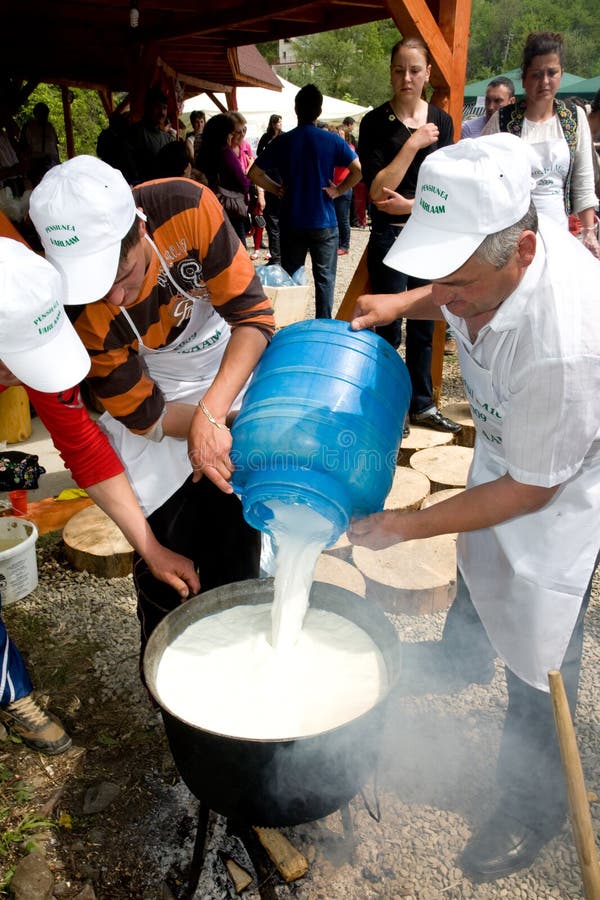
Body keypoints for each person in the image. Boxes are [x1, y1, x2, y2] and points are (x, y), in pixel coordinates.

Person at [348, 133, 600, 881]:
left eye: (458, 289)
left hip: (561, 486)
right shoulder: (482, 261)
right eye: (437, 282)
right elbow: (449, 278)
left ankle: (534, 807)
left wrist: (407, 525)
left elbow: (533, 489)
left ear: (522, 253)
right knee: (481, 561)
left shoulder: (566, 340)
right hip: (507, 444)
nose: (448, 303)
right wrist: (403, 298)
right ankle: (460, 663)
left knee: (543, 648)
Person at [29, 156, 275, 658]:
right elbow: (147, 417)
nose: (116, 298)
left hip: (229, 366)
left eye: (126, 275)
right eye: (99, 289)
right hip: (162, 401)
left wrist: (218, 415)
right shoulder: (77, 318)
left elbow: (253, 319)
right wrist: (204, 425)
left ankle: (247, 650)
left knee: (237, 528)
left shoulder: (185, 207)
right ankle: (170, 658)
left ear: (140, 228)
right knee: (171, 536)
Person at [0, 236, 200, 753]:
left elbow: (84, 446)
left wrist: (151, 547)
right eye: (15, 365)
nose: (26, 380)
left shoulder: (24, 302)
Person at [358, 36, 460, 435]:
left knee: (424, 325)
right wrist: (414, 143)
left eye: (415, 70)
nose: (407, 77)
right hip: (390, 237)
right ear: (390, 72)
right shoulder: (374, 122)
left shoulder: (443, 120)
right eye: (399, 69)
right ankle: (389, 407)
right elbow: (380, 191)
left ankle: (422, 404)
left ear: (428, 73)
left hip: (429, 234)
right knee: (388, 326)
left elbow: (447, 188)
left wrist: (412, 206)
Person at [249, 84, 361, 318]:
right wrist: (339, 190)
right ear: (319, 111)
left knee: (291, 277)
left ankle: (291, 324)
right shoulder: (332, 140)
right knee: (325, 281)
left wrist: (276, 188)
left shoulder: (283, 141)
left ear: (296, 109)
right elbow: (358, 170)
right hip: (324, 220)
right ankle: (323, 325)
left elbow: (254, 172)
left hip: (292, 219)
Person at [483, 31, 599, 258]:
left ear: (561, 74)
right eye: (536, 74)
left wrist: (589, 233)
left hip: (560, 233)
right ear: (524, 79)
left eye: (552, 73)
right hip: (512, 237)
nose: (544, 81)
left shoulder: (573, 118)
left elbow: (583, 182)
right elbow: (483, 177)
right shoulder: (504, 120)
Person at [196, 112, 251, 244]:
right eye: (232, 132)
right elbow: (244, 183)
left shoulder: (204, 151)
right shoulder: (225, 152)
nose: (234, 135)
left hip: (210, 207)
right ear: (224, 133)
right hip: (230, 211)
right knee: (238, 251)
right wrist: (249, 173)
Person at [127, 86, 174, 184]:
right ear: (148, 107)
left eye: (164, 108)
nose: (162, 112)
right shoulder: (135, 132)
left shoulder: (166, 138)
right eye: (158, 107)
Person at [256, 114, 283, 264]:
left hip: (282, 183)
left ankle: (280, 256)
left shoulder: (284, 137)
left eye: (280, 122)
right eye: (278, 122)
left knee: (281, 222)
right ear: (272, 123)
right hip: (269, 182)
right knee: (272, 222)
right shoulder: (265, 137)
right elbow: (259, 155)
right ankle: (275, 256)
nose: (279, 124)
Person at [19, 102, 60, 187]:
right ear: (36, 114)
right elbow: (23, 147)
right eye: (41, 113)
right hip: (36, 163)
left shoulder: (50, 127)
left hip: (52, 160)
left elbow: (55, 146)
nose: (44, 116)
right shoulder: (28, 127)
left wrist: (58, 161)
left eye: (45, 113)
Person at [333, 125, 354, 255]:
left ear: (346, 135)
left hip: (344, 187)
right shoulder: (336, 148)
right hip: (334, 187)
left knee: (342, 218)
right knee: (336, 218)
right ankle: (338, 243)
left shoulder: (349, 148)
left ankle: (344, 245)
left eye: (341, 133)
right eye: (337, 133)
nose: (338, 135)